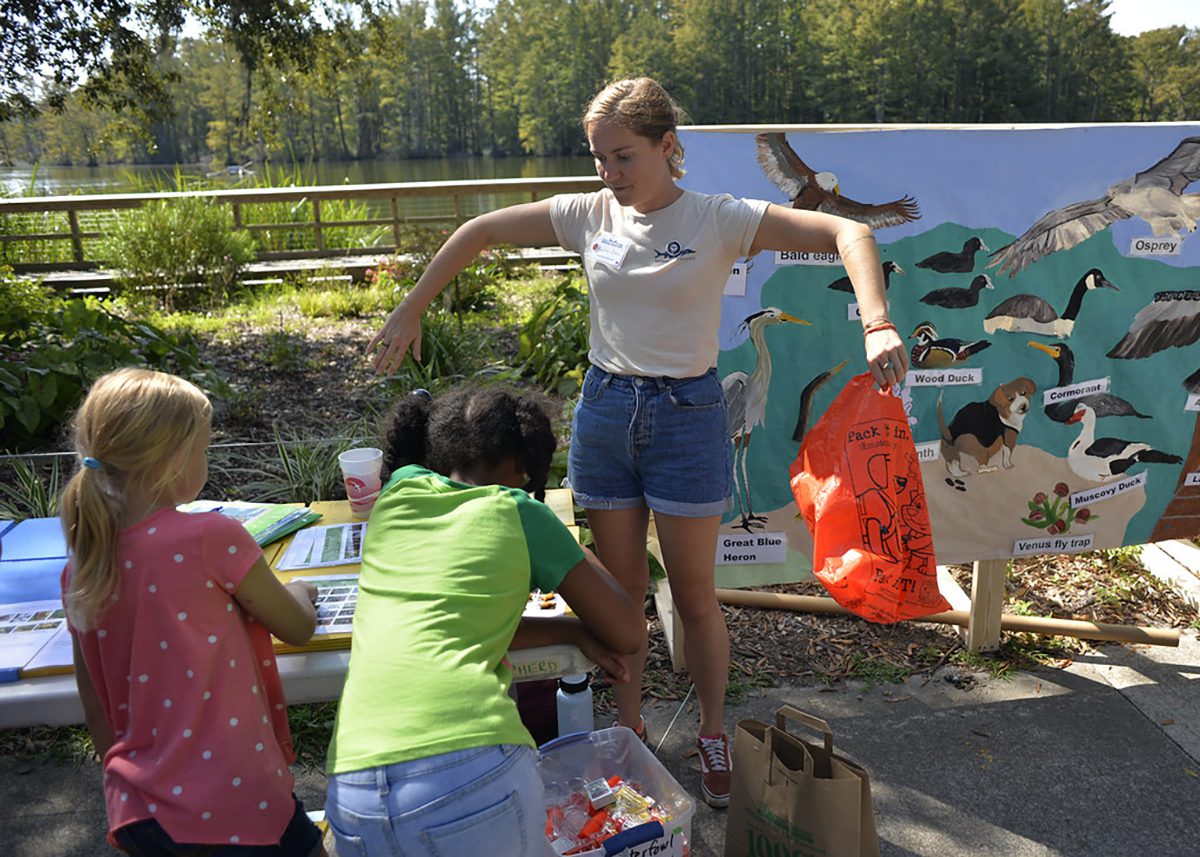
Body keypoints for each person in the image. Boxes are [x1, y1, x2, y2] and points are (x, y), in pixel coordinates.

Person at [369, 77, 909, 808]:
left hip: (687, 413)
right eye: (598, 159)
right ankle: (627, 734)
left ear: (668, 147)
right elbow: (481, 231)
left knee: (693, 597)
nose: (609, 175)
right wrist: (412, 306)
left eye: (623, 157)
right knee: (619, 599)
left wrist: (876, 320)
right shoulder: (588, 213)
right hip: (605, 410)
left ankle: (714, 731)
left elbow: (851, 231)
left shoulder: (719, 217)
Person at [322, 386, 641, 856]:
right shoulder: (518, 511)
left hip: (353, 791)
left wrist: (564, 629)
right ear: (522, 466)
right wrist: (562, 547)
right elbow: (628, 631)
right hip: (470, 773)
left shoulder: (398, 492)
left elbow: (451, 620)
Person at [60, 367, 326, 857]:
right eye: (203, 449)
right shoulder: (211, 537)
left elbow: (95, 701)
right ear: (172, 459)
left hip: (140, 810)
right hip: (236, 798)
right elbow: (298, 627)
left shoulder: (84, 563)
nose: (207, 459)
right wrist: (303, 591)